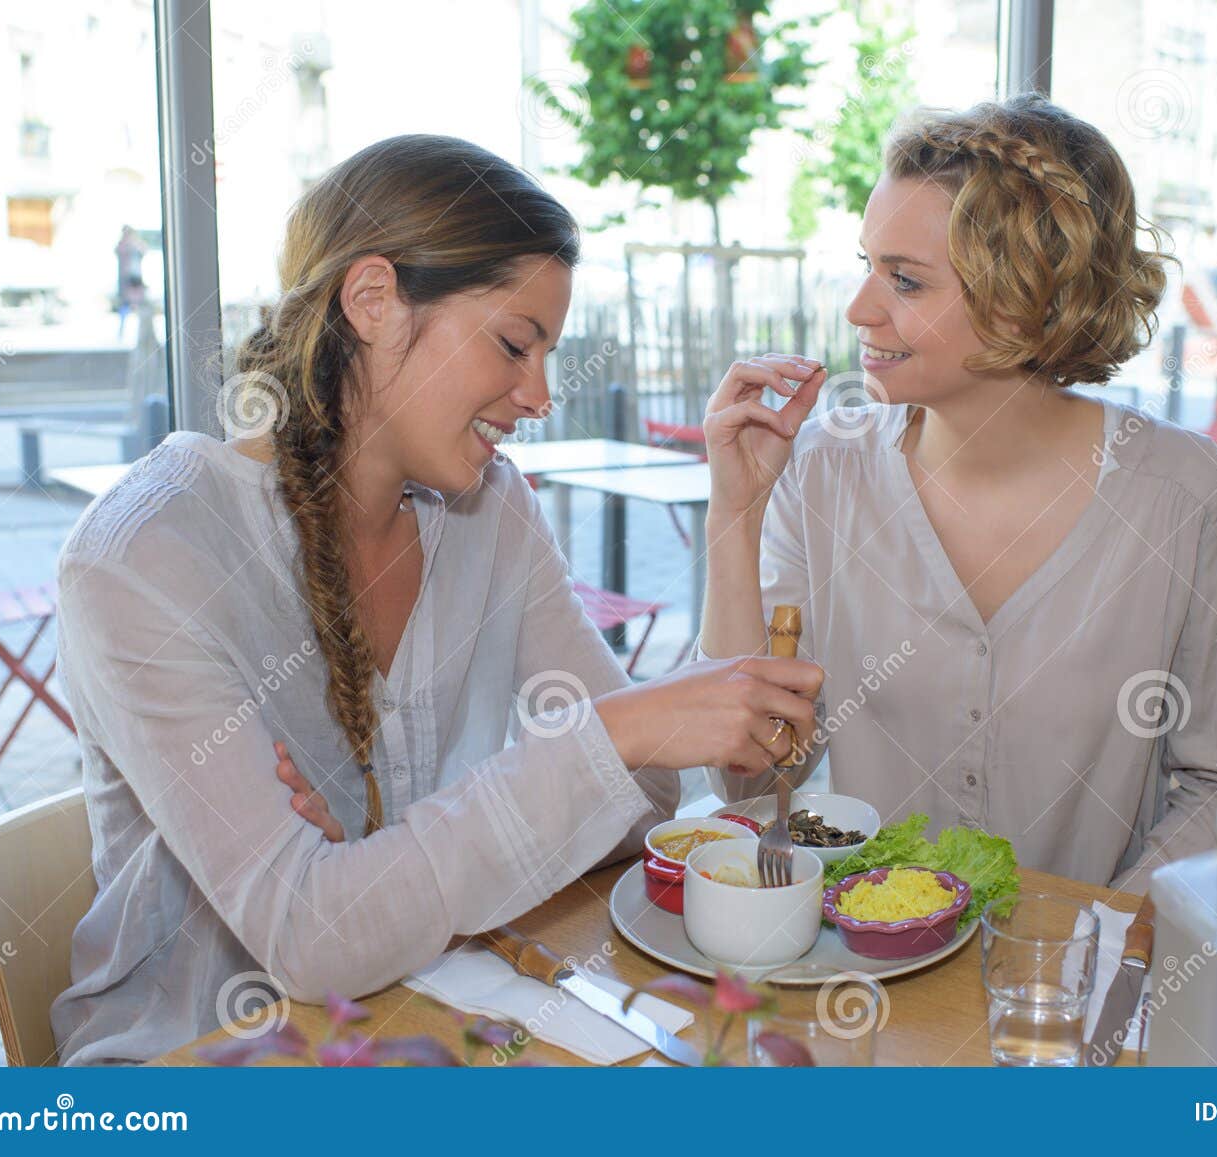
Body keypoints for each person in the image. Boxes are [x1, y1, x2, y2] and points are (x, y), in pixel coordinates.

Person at [52, 135, 821, 1065]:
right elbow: (315, 942)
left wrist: (372, 873)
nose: (539, 394)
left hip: (419, 1024)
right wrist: (600, 740)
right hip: (200, 1058)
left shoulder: (491, 512)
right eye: (513, 343)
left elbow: (644, 801)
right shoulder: (145, 555)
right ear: (373, 301)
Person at [696, 95, 1217, 896]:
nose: (859, 308)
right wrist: (735, 516)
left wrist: (1088, 943)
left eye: (904, 280)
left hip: (1082, 997)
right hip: (870, 983)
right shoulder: (823, 470)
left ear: (1026, 296)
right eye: (867, 265)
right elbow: (748, 781)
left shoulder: (1188, 500)